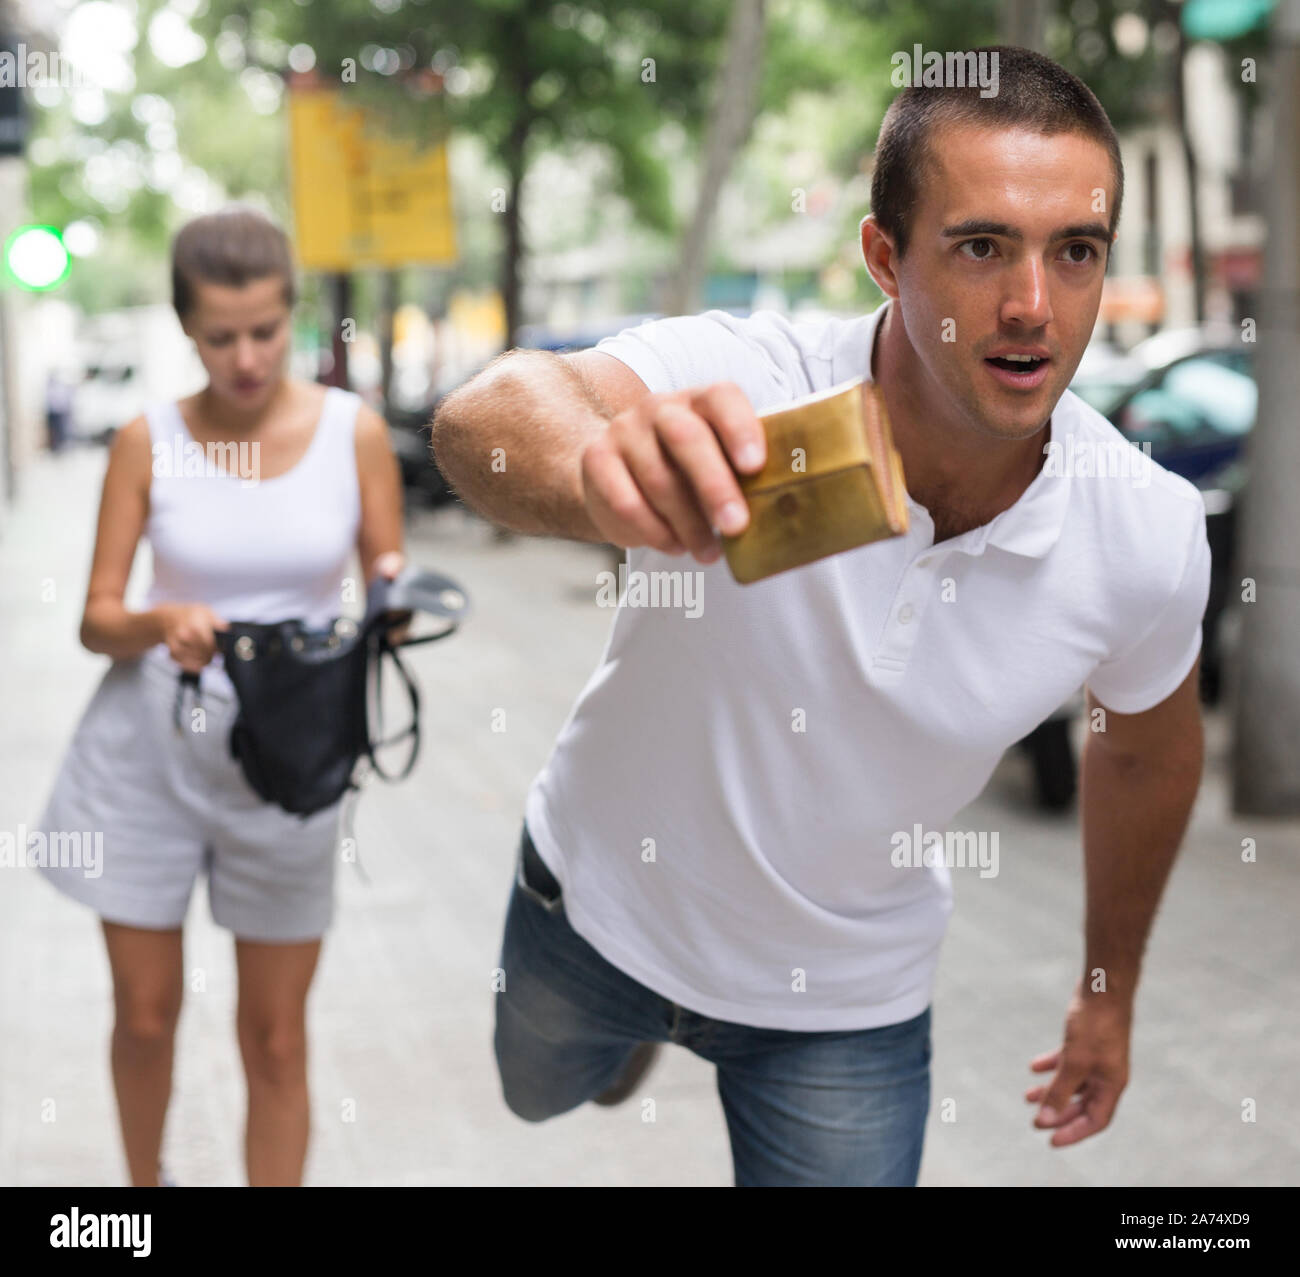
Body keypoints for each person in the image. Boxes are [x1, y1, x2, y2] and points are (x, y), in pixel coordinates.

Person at [432, 47, 1211, 1186]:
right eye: (983, 244)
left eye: (1075, 251)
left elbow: (1145, 754)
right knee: (536, 1090)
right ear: (885, 258)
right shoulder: (755, 377)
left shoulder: (1143, 529)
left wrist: (1108, 993)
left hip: (845, 1001)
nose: (1033, 306)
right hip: (597, 908)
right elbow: (487, 416)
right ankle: (621, 1052)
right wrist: (599, 466)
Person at [34, 206, 407, 1187]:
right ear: (187, 329)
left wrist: (399, 607)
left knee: (275, 1037)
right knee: (146, 1018)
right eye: (219, 336)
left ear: (292, 317)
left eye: (265, 330)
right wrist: (163, 620)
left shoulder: (351, 433)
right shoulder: (143, 439)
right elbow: (94, 617)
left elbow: (387, 575)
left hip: (291, 757)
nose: (245, 356)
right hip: (148, 751)